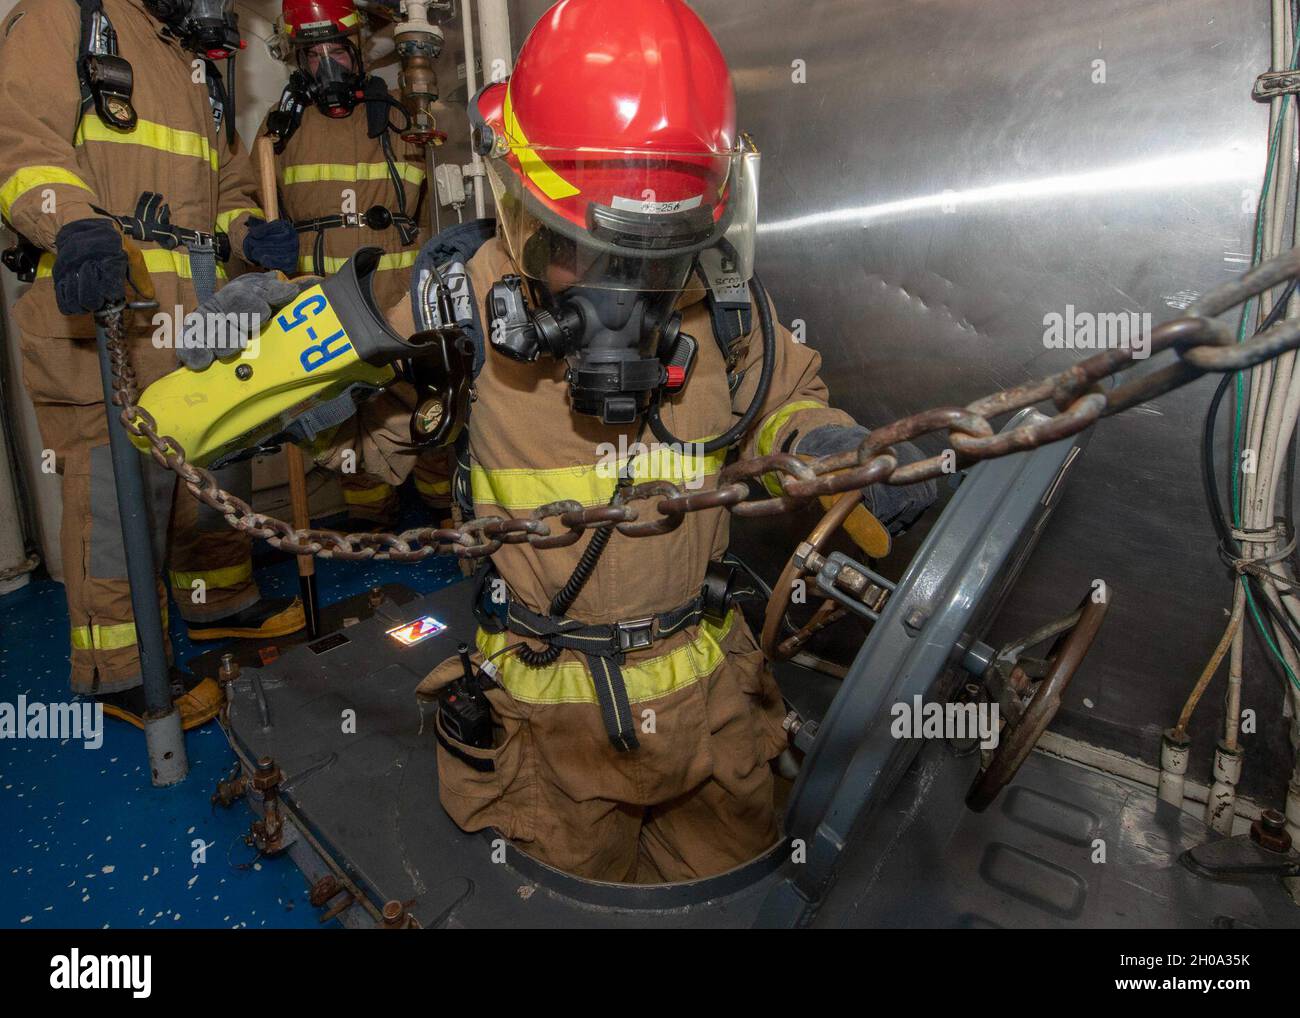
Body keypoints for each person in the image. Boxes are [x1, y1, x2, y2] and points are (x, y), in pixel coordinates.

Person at [188, 0, 938, 880]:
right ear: (523, 205)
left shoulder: (726, 299)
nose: (620, 291)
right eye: (582, 248)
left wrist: (838, 452)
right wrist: (288, 369)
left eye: (655, 254)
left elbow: (782, 403)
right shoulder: (459, 299)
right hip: (546, 736)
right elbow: (366, 439)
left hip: (711, 716)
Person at [0, 0, 306, 728]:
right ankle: (119, 667)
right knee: (116, 491)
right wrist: (71, 225)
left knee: (212, 461)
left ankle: (218, 601)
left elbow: (226, 183)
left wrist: (247, 231)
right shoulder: (63, 17)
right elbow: (19, 140)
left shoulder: (192, 59)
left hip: (200, 307)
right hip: (108, 303)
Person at [262, 0, 451, 529]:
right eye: (312, 53)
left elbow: (437, 207)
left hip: (404, 298)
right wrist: (251, 236)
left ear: (358, 50)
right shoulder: (277, 131)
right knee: (346, 417)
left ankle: (445, 512)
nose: (326, 65)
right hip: (325, 306)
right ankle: (372, 527)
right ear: (295, 58)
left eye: (337, 51)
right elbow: (240, 198)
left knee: (428, 407)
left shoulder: (401, 118)